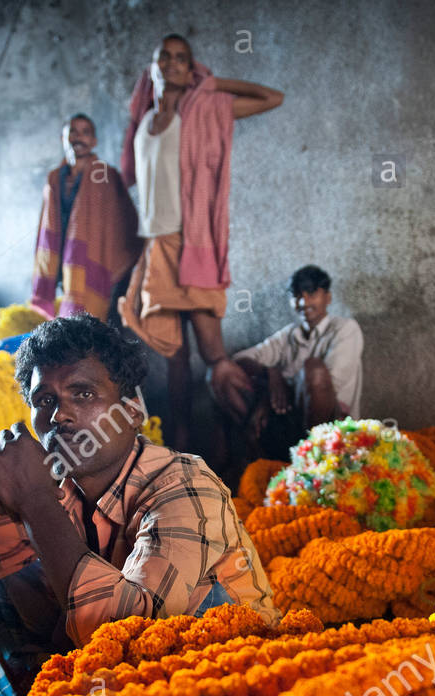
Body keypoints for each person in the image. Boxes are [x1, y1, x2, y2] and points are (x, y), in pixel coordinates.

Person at [0, 313, 278, 696]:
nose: (60, 415)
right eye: (45, 401)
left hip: (226, 678)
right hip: (120, 676)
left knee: (68, 583)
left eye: (84, 394)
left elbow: (132, 639)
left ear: (131, 412)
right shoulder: (59, 488)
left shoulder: (184, 483)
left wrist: (36, 504)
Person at [117, 33, 283, 452]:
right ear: (152, 67)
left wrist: (211, 83)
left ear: (191, 69)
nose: (171, 64)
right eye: (164, 58)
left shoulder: (202, 110)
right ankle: (182, 447)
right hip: (156, 248)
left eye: (181, 59)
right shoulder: (141, 124)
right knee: (174, 362)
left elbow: (271, 98)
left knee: (216, 360)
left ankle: (255, 440)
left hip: (191, 243)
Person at [212, 265, 363, 458]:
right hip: (287, 424)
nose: (303, 302)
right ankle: (261, 456)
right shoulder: (290, 334)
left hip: (331, 427)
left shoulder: (345, 329)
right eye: (297, 295)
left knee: (314, 369)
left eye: (311, 294)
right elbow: (240, 360)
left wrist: (272, 395)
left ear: (328, 297)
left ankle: (315, 461)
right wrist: (271, 375)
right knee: (221, 370)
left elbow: (328, 386)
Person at [30, 113, 142, 323]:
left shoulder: (106, 175)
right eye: (73, 131)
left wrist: (113, 261)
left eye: (85, 132)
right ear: (63, 138)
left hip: (101, 266)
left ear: (94, 141)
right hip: (66, 268)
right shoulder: (54, 178)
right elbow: (46, 227)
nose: (78, 137)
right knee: (75, 329)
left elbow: (126, 222)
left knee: (104, 332)